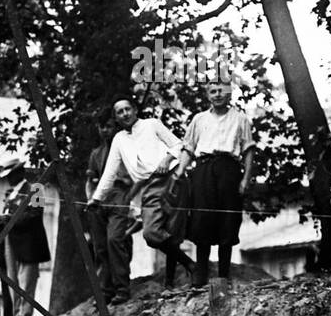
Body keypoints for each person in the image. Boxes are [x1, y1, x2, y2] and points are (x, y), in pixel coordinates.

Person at [87, 98, 194, 289]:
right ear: (116, 118)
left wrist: (167, 158)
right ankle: (189, 264)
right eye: (120, 112)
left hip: (173, 177)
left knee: (173, 232)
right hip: (149, 185)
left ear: (135, 110)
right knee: (152, 233)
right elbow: (109, 173)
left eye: (128, 109)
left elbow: (179, 144)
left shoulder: (151, 124)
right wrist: (96, 198)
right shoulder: (119, 140)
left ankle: (170, 283)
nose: (125, 114)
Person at [176, 81, 254, 286]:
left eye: (221, 91)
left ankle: (223, 276)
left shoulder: (240, 119)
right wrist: (179, 171)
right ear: (208, 95)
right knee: (202, 219)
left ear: (229, 94)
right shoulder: (199, 119)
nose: (217, 95)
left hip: (229, 170)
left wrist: (245, 178)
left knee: (227, 220)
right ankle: (200, 276)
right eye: (213, 91)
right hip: (203, 171)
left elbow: (248, 150)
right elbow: (189, 148)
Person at [86, 111, 136, 304]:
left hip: (118, 199)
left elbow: (135, 178)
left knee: (115, 240)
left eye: (108, 126)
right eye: (102, 127)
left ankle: (122, 288)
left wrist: (128, 198)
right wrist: (90, 198)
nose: (105, 130)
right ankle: (105, 290)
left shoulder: (126, 150)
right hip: (99, 203)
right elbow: (90, 180)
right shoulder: (96, 153)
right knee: (100, 247)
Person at [0, 158, 51, 316]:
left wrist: (9, 219)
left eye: (12, 174)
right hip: (10, 240)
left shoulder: (36, 190)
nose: (9, 178)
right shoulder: (9, 194)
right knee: (12, 280)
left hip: (29, 242)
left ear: (20, 172)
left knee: (26, 280)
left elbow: (35, 214)